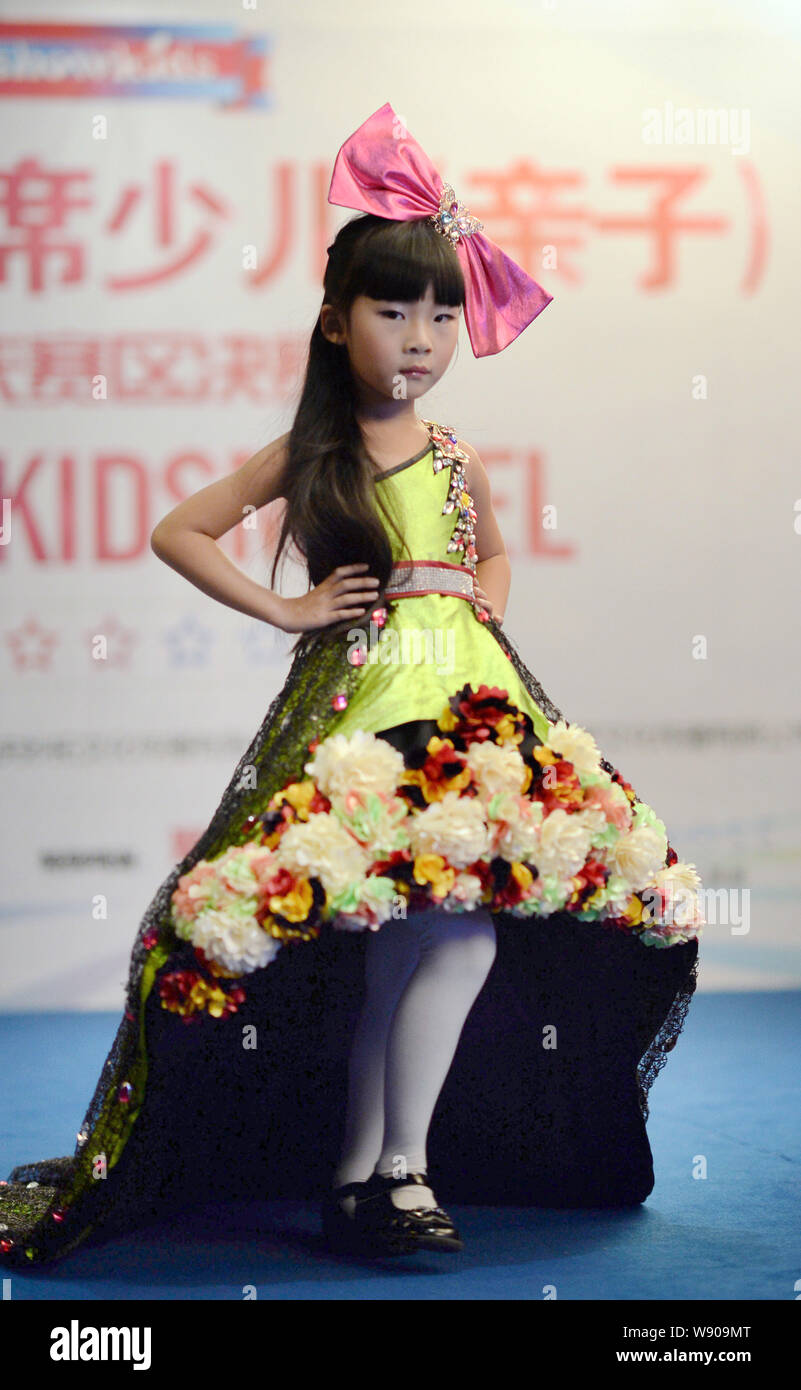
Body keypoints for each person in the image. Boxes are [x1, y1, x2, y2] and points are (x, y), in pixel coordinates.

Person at [0, 105, 702, 1267]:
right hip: (367, 709)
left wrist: (486, 598)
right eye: (393, 310)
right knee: (426, 934)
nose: (421, 337)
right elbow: (183, 528)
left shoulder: (456, 454)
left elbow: (495, 552)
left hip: (472, 702)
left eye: (441, 314)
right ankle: (387, 1170)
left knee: (442, 932)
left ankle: (374, 1169)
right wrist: (285, 607)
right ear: (335, 323)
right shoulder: (313, 455)